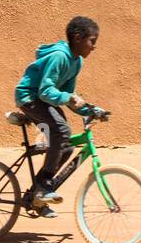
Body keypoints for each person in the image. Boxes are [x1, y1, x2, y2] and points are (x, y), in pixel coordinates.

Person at [13, 16, 98, 218]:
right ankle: (43, 184)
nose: (94, 47)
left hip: (46, 100)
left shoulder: (76, 62)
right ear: (78, 37)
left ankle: (36, 195)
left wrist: (90, 110)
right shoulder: (59, 56)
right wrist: (68, 97)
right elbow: (45, 91)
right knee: (61, 131)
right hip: (30, 97)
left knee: (67, 145)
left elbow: (68, 96)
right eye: (92, 41)